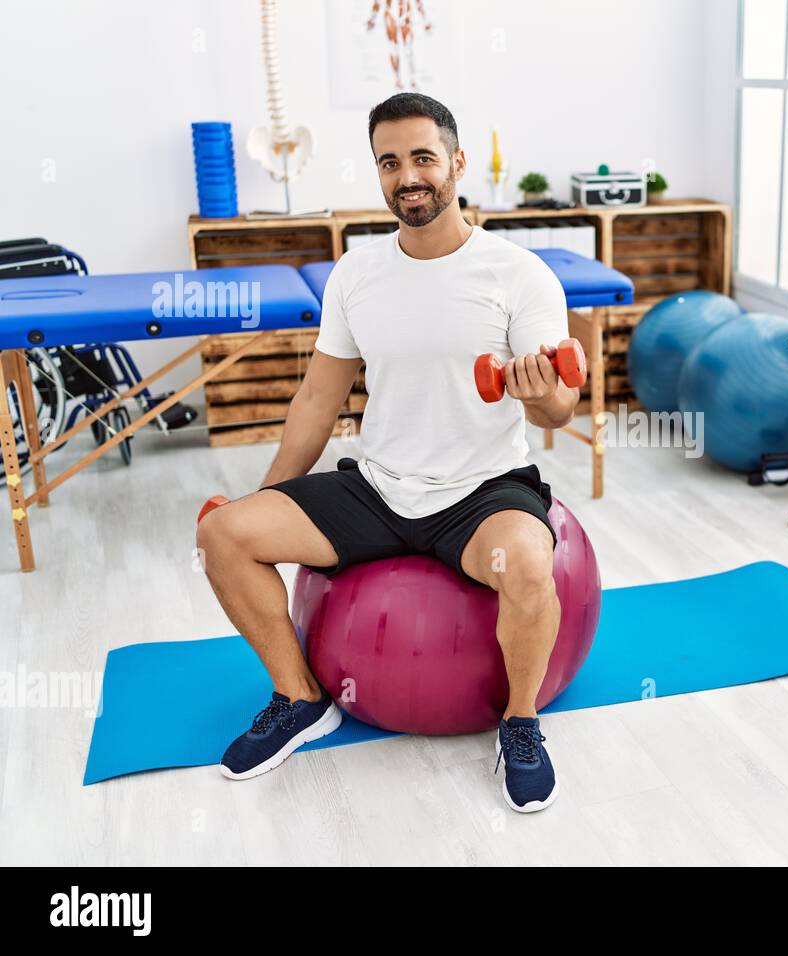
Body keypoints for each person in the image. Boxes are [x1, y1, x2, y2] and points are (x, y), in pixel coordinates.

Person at [195, 93, 576, 813]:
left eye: (424, 158)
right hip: (375, 488)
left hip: (481, 489)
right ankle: (301, 698)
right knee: (223, 534)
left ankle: (520, 722)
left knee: (530, 562)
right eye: (390, 162)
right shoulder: (356, 275)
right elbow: (317, 400)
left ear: (456, 163)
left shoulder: (518, 275)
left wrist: (537, 392)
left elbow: (558, 407)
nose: (409, 177)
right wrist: (262, 497)